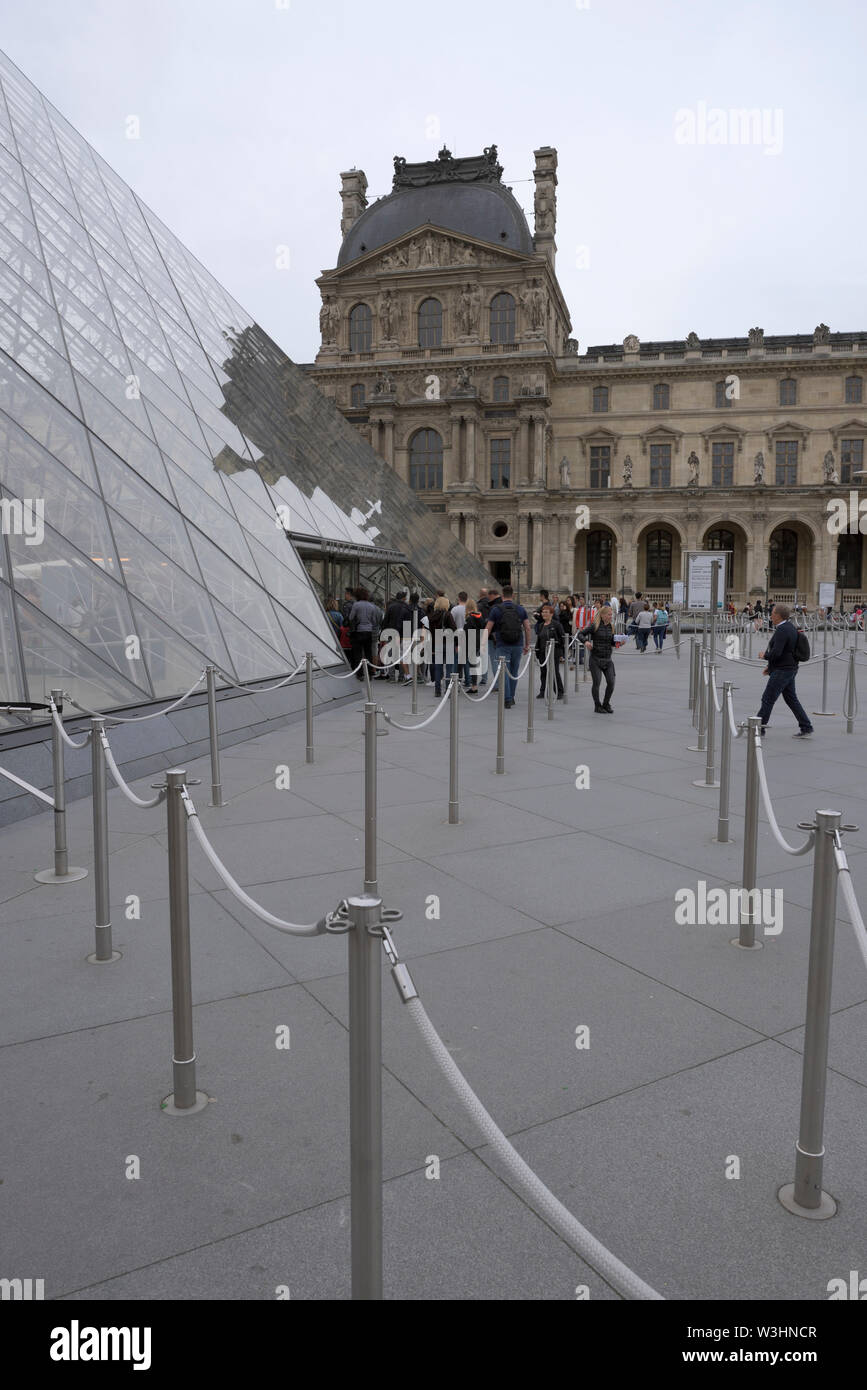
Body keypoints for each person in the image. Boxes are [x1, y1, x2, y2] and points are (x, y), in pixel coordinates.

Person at [757, 603, 814, 737]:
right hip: (789, 668)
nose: (771, 615)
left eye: (772, 613)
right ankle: (806, 726)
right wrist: (770, 667)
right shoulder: (789, 627)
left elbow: (777, 652)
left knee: (767, 699)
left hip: (783, 670)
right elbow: (786, 651)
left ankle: (759, 728)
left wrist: (764, 656)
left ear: (778, 615)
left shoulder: (782, 630)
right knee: (791, 699)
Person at [485, 585, 531, 708]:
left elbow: (488, 628)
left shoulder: (496, 609)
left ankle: (507, 698)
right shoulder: (520, 609)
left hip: (502, 644)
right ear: (513, 595)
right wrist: (527, 644)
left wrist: (483, 643)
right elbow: (527, 628)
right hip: (517, 644)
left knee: (503, 671)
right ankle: (512, 696)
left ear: (502, 595)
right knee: (514, 671)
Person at [576, 603, 617, 713]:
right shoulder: (595, 625)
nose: (610, 616)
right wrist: (586, 642)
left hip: (608, 659)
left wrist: (618, 643)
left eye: (611, 614)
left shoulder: (611, 626)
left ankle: (606, 703)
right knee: (597, 683)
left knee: (611, 682)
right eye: (609, 614)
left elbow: (612, 642)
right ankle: (597, 705)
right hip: (596, 659)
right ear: (603, 615)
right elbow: (580, 634)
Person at [348, 586, 382, 681]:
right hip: (369, 632)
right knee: (369, 653)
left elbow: (351, 617)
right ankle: (370, 673)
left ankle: (360, 674)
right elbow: (374, 621)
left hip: (359, 631)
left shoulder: (356, 605)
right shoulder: (371, 606)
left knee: (358, 653)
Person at [535, 603, 565, 700]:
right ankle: (543, 691)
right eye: (543, 612)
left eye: (546, 612)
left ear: (551, 614)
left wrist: (561, 654)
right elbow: (539, 640)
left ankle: (559, 691)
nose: (544, 614)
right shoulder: (540, 625)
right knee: (543, 672)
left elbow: (562, 639)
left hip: (553, 652)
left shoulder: (556, 625)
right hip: (543, 652)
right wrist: (537, 652)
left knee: (554, 672)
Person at [429, 595, 457, 696]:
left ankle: (437, 691)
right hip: (448, 643)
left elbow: (431, 634)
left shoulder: (431, 616)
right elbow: (454, 629)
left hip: (437, 643)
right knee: (449, 668)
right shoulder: (448, 615)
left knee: (438, 668)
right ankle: (448, 691)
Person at [463, 597, 486, 693]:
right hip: (477, 642)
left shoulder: (470, 618)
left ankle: (473, 685)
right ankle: (474, 685)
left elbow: (467, 631)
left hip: (470, 642)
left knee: (468, 664)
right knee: (473, 664)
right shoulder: (479, 616)